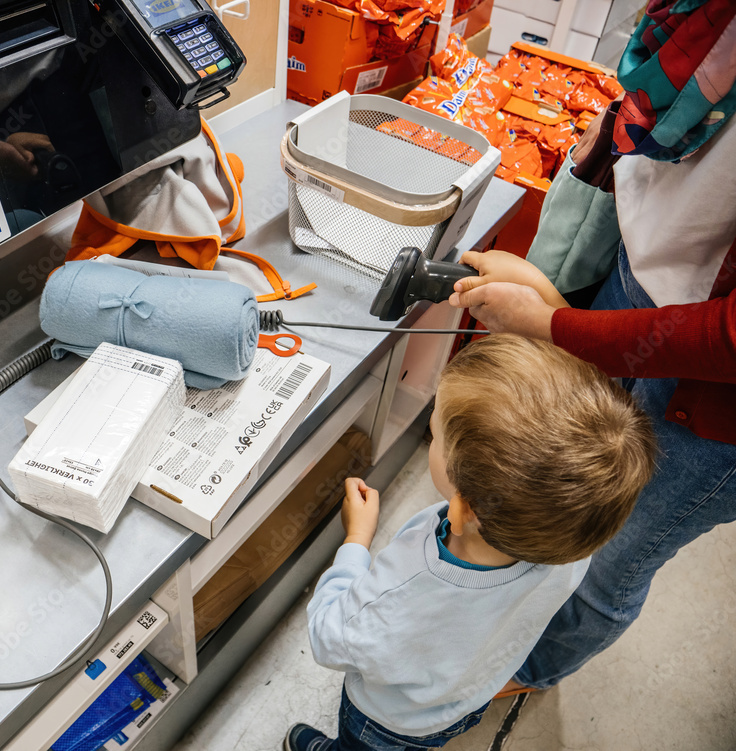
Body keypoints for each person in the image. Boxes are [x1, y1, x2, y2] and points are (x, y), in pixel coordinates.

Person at [447, 0, 736, 696]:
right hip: (650, 270)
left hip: (714, 397)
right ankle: (521, 615)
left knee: (617, 556)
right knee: (570, 470)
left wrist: (551, 325)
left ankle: (528, 670)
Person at [284, 334, 657, 751]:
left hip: (385, 723)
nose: (431, 429)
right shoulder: (569, 547)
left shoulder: (409, 583)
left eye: (436, 433)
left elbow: (329, 636)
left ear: (464, 509)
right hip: (464, 703)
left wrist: (356, 539)